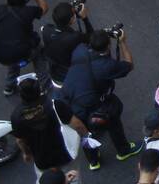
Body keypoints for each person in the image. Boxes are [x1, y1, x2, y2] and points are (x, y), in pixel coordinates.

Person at [58, 29, 143, 169]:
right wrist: (122, 42)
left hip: (71, 104)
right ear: (108, 46)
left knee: (84, 133)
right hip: (96, 105)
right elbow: (129, 64)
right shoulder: (107, 66)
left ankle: (93, 161)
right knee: (114, 117)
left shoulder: (79, 50)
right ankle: (124, 150)